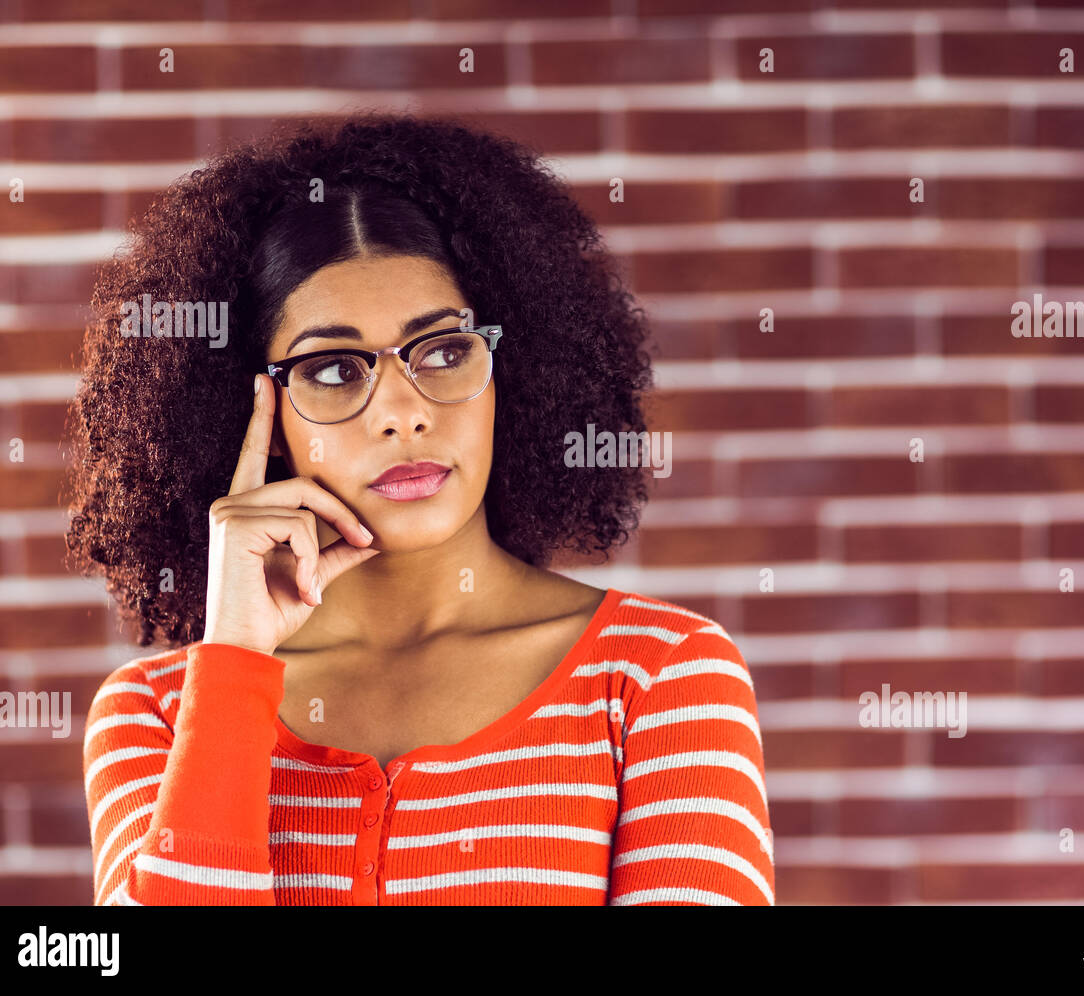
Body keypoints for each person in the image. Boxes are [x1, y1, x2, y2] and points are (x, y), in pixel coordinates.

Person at [64, 112, 775, 905]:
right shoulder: (156, 717)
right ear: (256, 416)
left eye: (443, 350)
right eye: (334, 369)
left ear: (513, 368)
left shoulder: (659, 678)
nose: (401, 412)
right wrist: (232, 667)